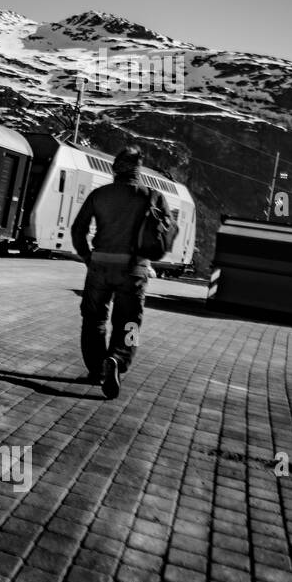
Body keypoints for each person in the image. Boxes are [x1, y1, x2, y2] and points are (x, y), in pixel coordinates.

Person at [69, 144, 169, 398]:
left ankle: (97, 368)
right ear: (138, 170)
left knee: (93, 320)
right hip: (134, 269)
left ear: (115, 169)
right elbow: (166, 236)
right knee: (130, 322)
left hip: (99, 265)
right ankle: (118, 360)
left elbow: (77, 230)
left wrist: (87, 257)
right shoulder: (153, 196)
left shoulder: (100, 194)